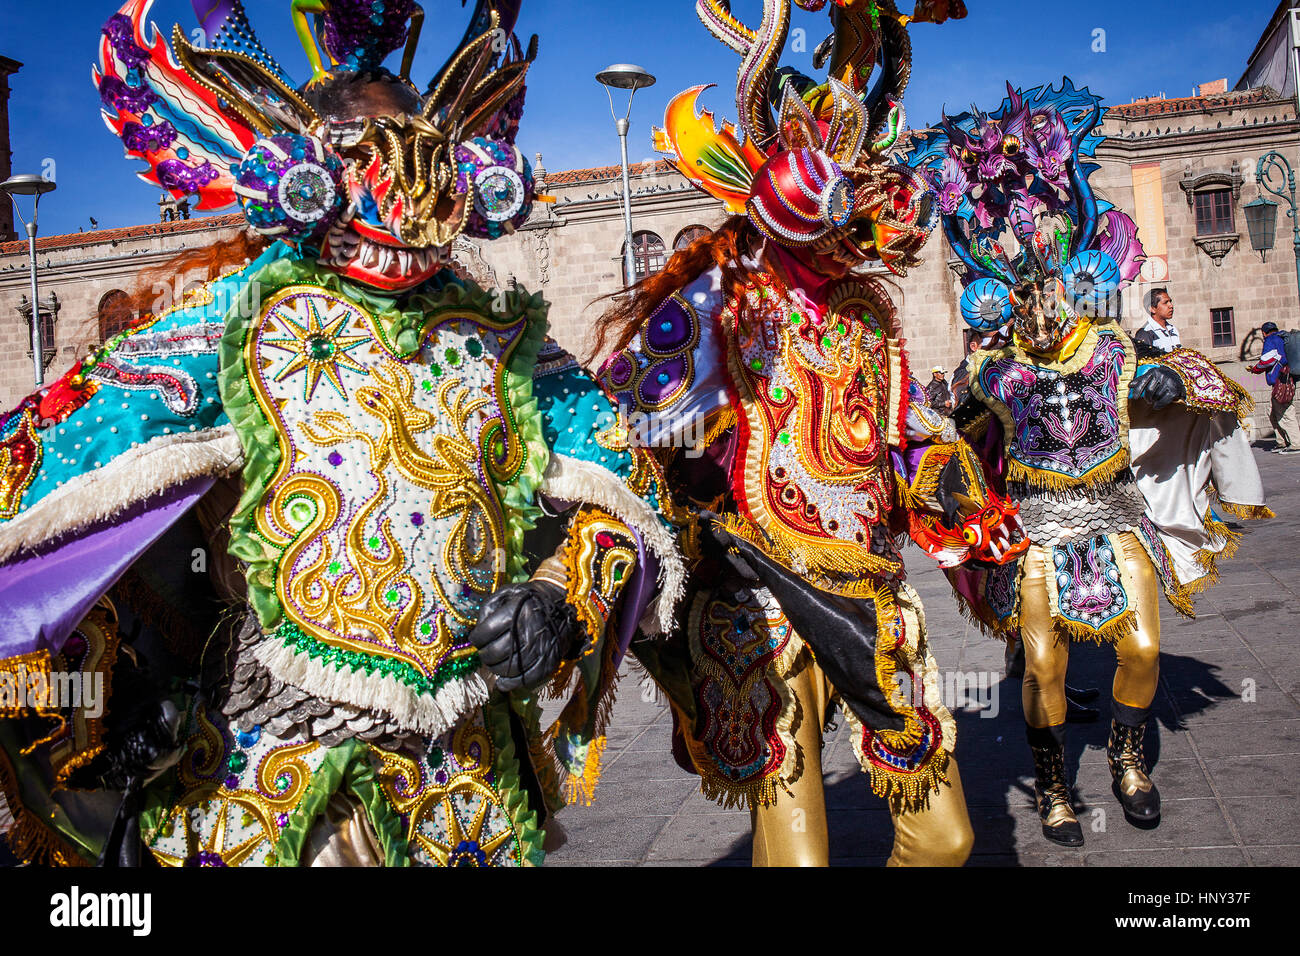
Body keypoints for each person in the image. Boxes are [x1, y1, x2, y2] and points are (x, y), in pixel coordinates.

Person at [0, 0, 674, 868]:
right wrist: (121, 687)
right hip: (271, 777)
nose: (404, 185)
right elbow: (47, 488)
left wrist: (558, 598)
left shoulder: (507, 344)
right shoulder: (231, 329)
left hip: (465, 787)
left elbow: (623, 492)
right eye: (364, 156)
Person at [593, 0, 1008, 867]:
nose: (853, 232)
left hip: (873, 604)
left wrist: (963, 520)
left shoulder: (863, 311)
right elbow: (616, 423)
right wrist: (670, 529)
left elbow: (903, 433)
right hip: (760, 612)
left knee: (946, 841)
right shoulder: (719, 301)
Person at [908, 78, 1272, 848]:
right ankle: (1051, 789)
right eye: (1020, 294)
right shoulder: (997, 373)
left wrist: (1174, 381)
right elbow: (959, 436)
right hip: (1040, 535)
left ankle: (1131, 765)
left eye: (1051, 288)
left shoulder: (1110, 348)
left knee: (1141, 647)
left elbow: (1187, 381)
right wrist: (945, 469)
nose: (1037, 305)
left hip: (1114, 521)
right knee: (1042, 667)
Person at [1249, 322, 1299, 454]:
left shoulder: (1271, 340)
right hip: (1285, 379)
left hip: (1280, 380)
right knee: (1272, 412)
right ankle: (1282, 441)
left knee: (1286, 412)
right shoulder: (1282, 339)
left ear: (1264, 333)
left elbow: (1267, 361)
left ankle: (1295, 443)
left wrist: (1255, 369)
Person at [1134, 288, 1181, 353]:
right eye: (1165, 303)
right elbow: (1145, 360)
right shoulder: (1145, 333)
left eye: (1170, 301)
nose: (1171, 305)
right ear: (1152, 309)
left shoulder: (1173, 329)